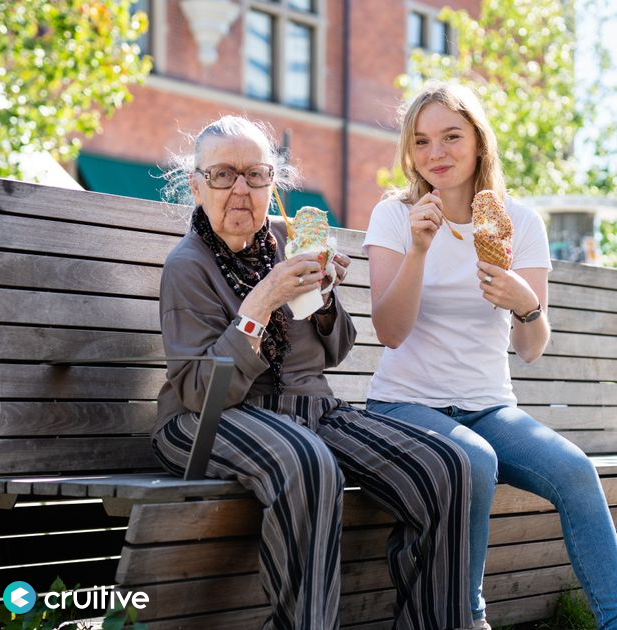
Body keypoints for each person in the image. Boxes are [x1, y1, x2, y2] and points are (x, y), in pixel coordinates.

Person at [152, 115, 474, 630]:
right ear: (196, 185)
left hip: (310, 412)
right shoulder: (187, 265)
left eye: (256, 175)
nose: (240, 189)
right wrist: (260, 303)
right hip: (206, 420)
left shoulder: (290, 241)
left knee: (447, 467)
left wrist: (323, 298)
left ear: (272, 184)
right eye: (222, 175)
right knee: (308, 462)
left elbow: (333, 351)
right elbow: (197, 389)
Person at [363, 82, 617, 630]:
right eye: (421, 142)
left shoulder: (518, 223)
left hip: (489, 407)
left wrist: (527, 306)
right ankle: (469, 617)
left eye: (450, 136)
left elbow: (531, 349)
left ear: (479, 141)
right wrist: (419, 250)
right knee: (475, 460)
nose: (435, 153)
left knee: (577, 471)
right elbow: (390, 332)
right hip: (404, 406)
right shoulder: (396, 217)